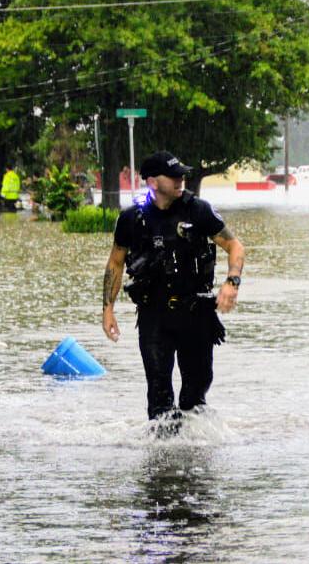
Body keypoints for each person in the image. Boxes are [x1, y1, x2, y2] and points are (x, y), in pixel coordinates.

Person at [101, 151, 245, 424]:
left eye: (182, 174)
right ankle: (161, 464)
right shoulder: (131, 219)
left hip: (196, 313)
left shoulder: (199, 211)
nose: (181, 179)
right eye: (174, 175)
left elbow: (235, 246)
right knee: (159, 398)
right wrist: (108, 309)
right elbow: (115, 263)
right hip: (154, 317)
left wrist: (232, 282)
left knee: (195, 394)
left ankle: (196, 458)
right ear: (153, 182)